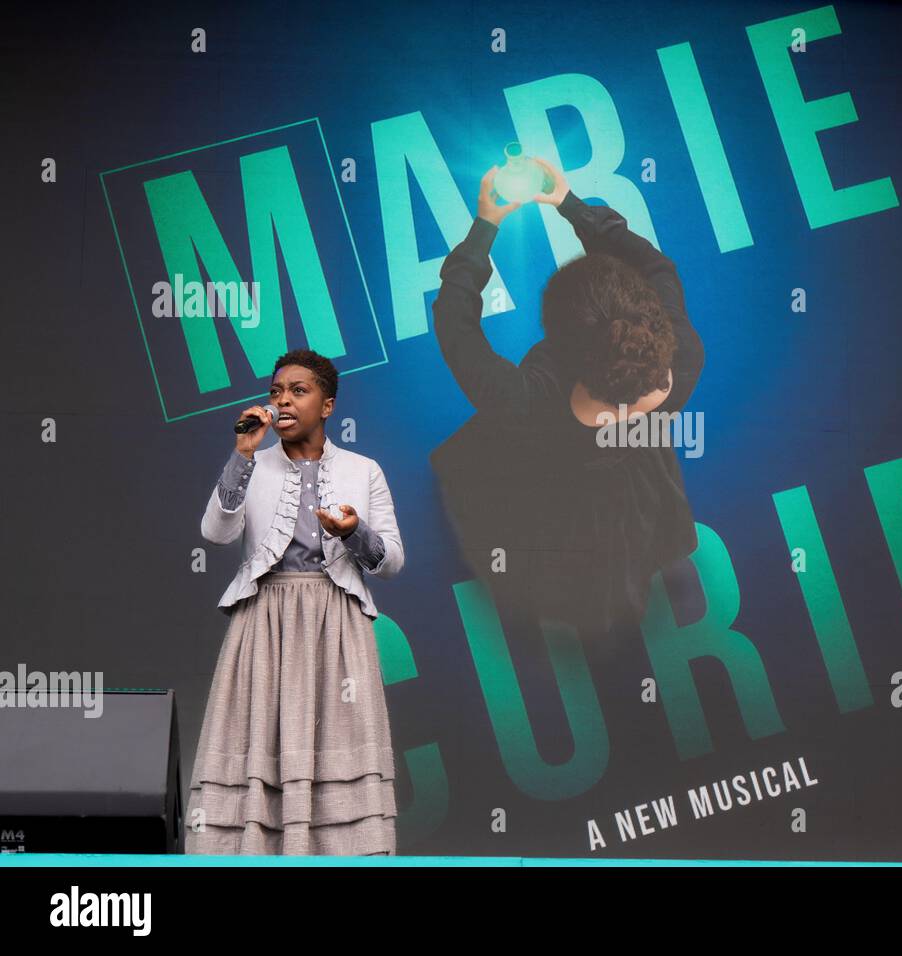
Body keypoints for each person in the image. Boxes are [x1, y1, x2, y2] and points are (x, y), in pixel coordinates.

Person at [429, 158, 705, 639]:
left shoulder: (522, 403)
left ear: (562, 345)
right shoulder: (683, 358)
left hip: (551, 489)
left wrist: (486, 224)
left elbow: (455, 322)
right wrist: (571, 204)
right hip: (636, 470)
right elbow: (656, 266)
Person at [188, 349, 405, 855]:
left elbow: (391, 562)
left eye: (298, 391)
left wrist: (354, 533)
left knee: (336, 738)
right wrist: (242, 454)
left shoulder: (363, 469)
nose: (283, 401)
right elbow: (215, 533)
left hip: (337, 623)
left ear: (327, 405)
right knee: (256, 739)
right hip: (264, 620)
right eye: (276, 392)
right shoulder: (252, 463)